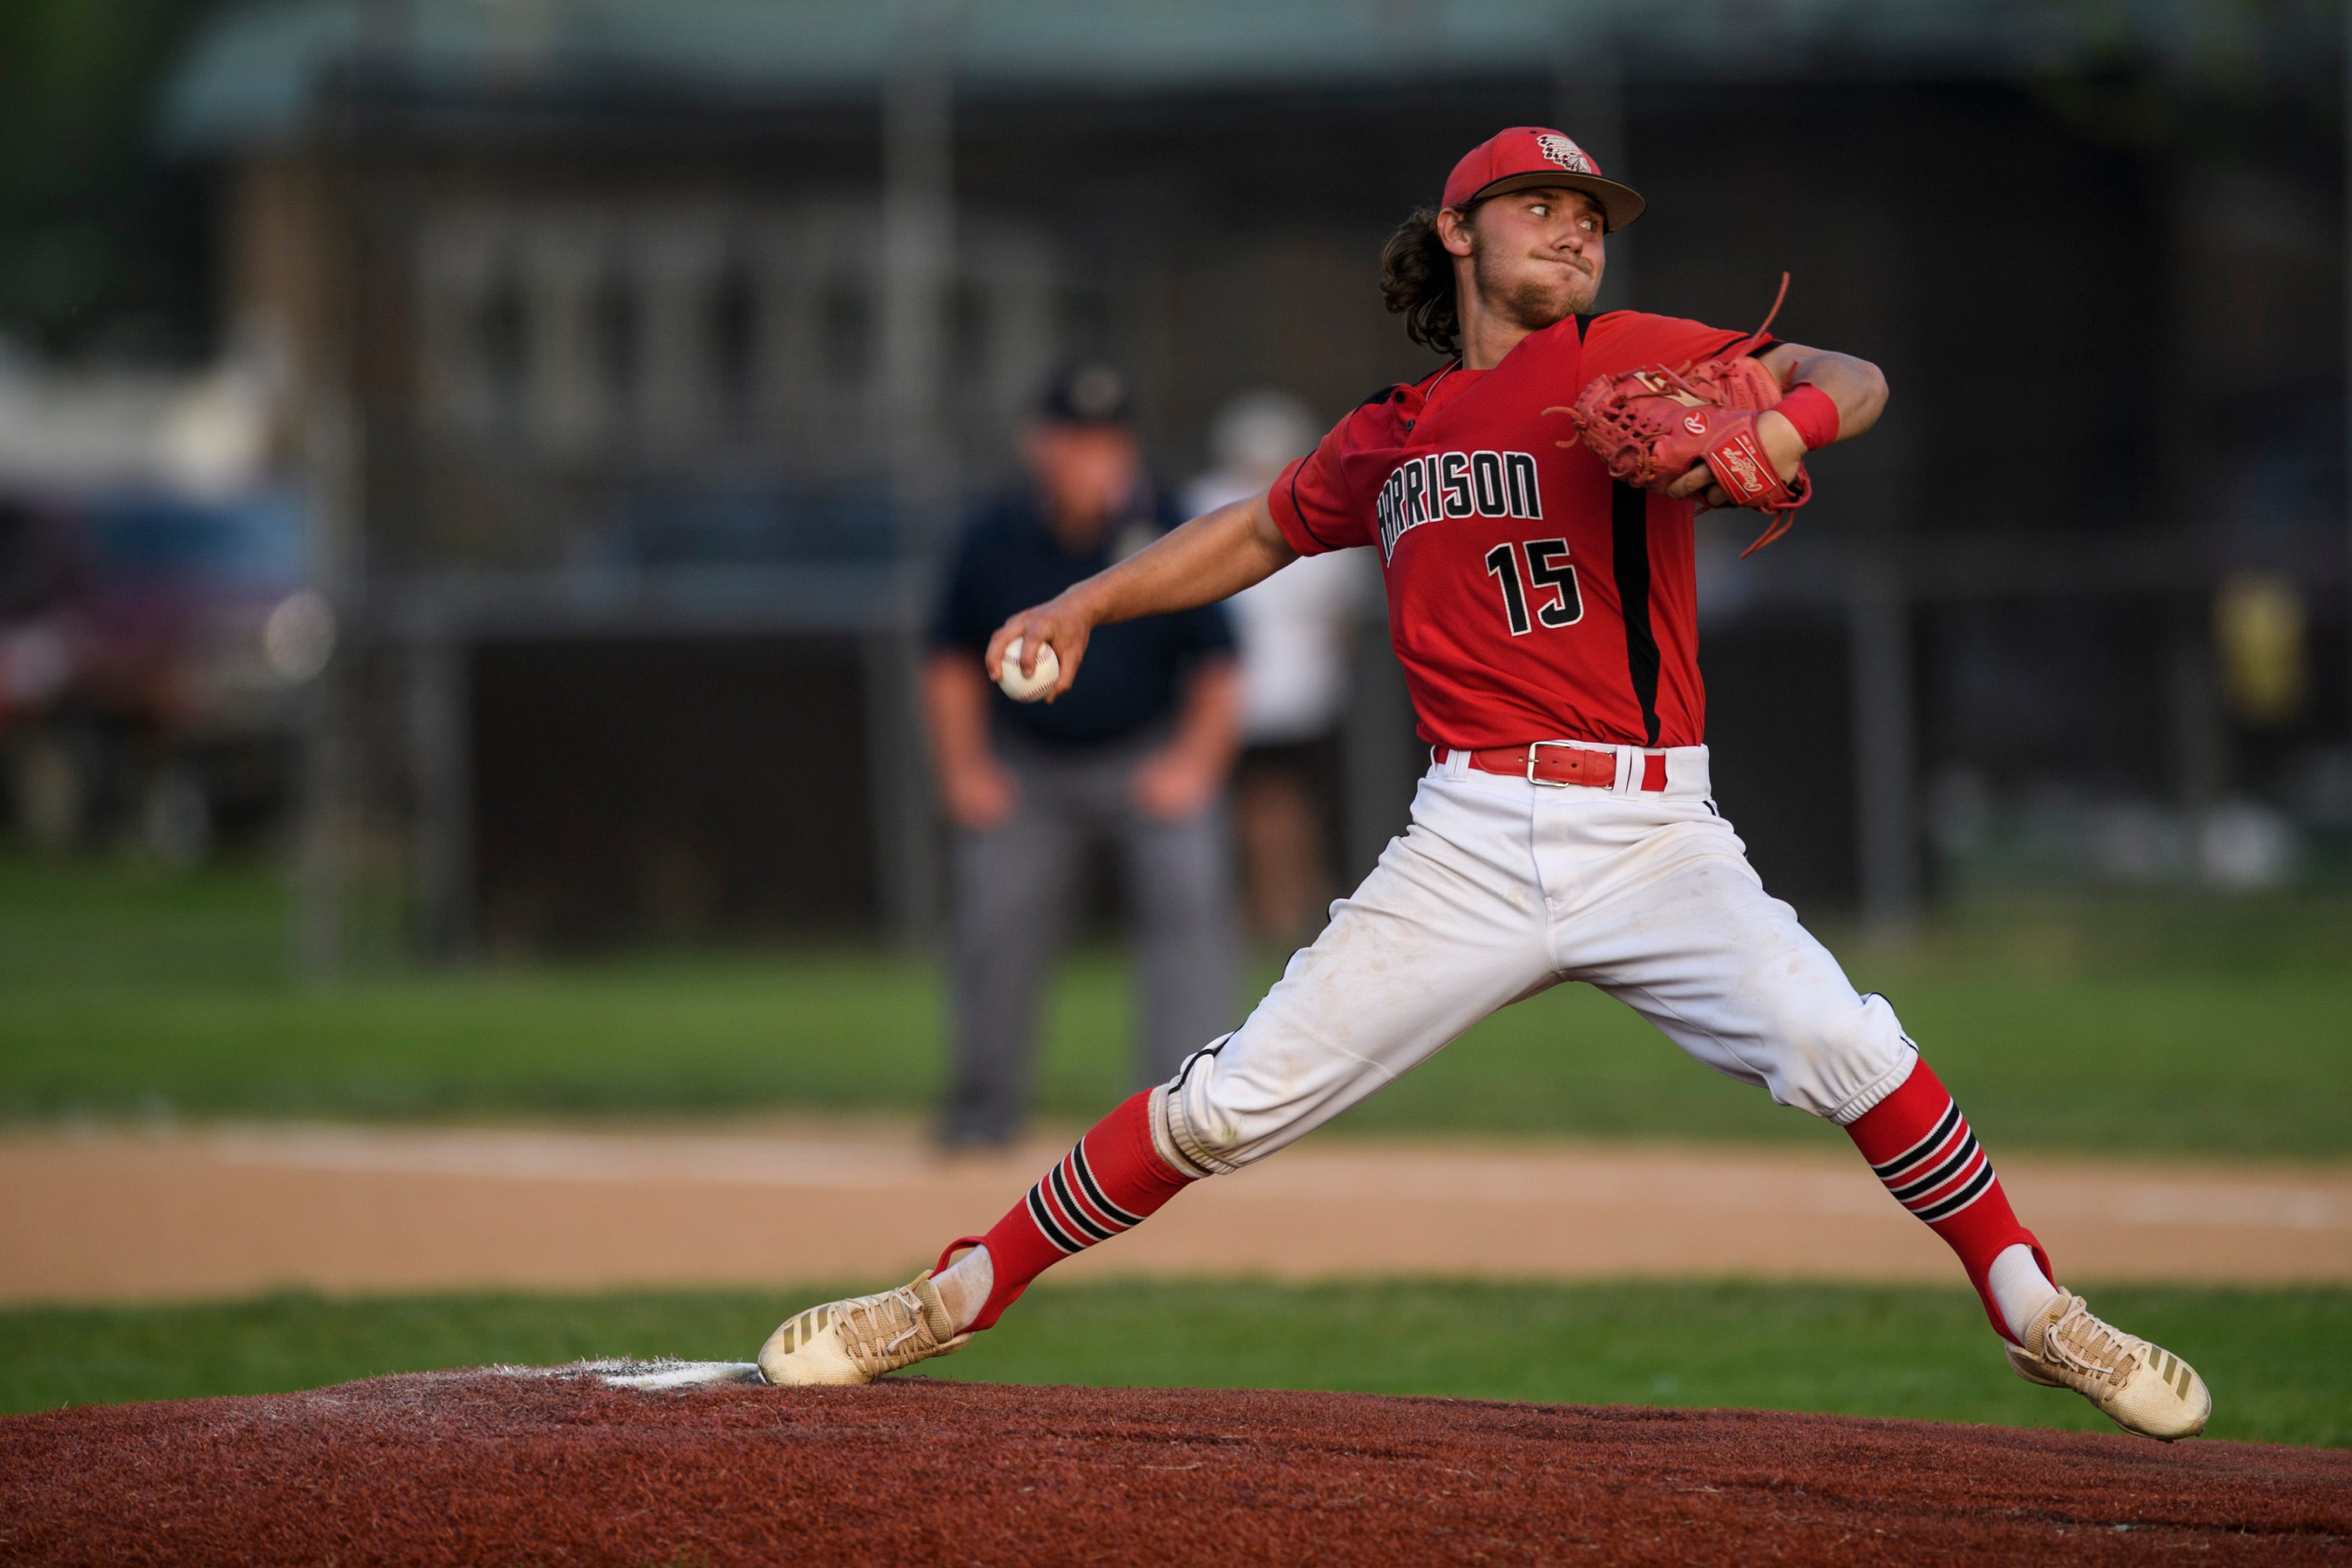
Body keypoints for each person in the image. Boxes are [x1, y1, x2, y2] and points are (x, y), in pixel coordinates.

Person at [761, 129, 2210, 1442]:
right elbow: (1254, 534)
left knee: (1851, 1047)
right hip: (1464, 835)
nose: (1574, 230)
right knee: (1226, 1109)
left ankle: (2033, 1309)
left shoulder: (1628, 356)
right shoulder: (1392, 431)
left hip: (1651, 832)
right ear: (1458, 231)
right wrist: (1084, 601)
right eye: (1538, 206)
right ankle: (952, 1294)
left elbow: (1852, 374)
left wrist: (1785, 428)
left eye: (1590, 216)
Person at [924, 361, 1242, 1148]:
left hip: (1145, 757)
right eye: (1076, 440)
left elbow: (1220, 665)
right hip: (1028, 769)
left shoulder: (1167, 525)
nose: (1093, 458)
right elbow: (950, 661)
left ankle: (1183, 1124)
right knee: (995, 921)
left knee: (1190, 898)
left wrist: (1194, 767)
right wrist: (965, 770)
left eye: (1108, 441)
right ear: (1041, 445)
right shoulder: (994, 535)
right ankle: (982, 1110)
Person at [1184, 391, 1377, 944]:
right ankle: (1279, 901)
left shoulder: (1207, 503)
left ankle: (1279, 901)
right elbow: (1343, 616)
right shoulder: (1225, 500)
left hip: (1265, 689)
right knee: (1273, 804)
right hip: (1266, 689)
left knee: (1273, 803)